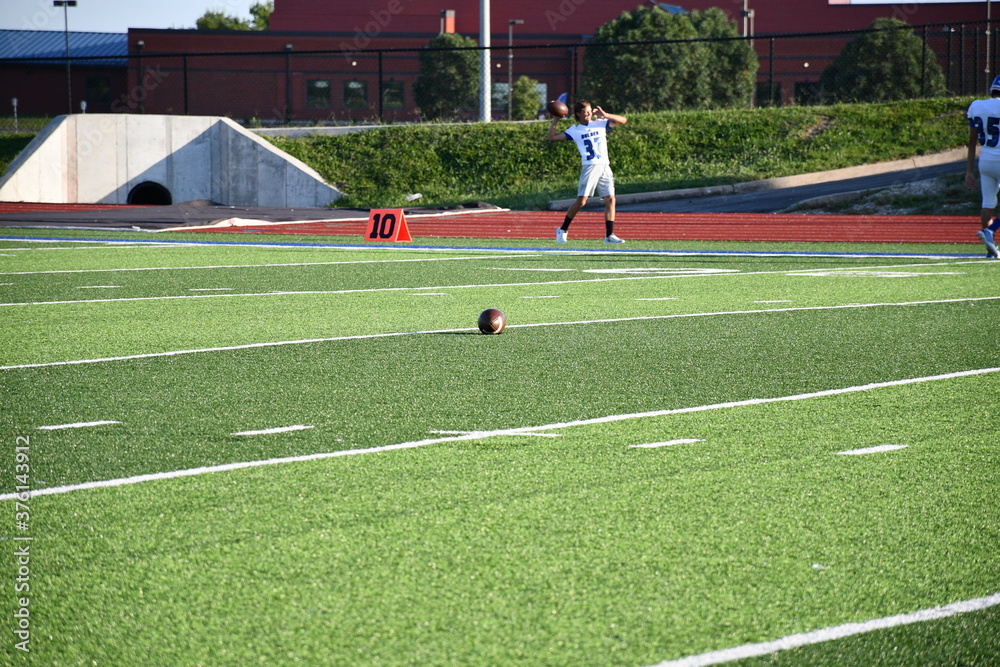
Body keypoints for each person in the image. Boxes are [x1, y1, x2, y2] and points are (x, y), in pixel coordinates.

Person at [546, 101, 626, 244]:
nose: (589, 114)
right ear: (578, 114)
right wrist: (555, 119)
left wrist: (605, 114)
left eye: (590, 111)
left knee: (611, 199)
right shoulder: (574, 130)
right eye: (585, 112)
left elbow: (623, 120)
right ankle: (562, 229)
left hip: (604, 166)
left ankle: (609, 235)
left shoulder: (600, 123)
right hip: (590, 166)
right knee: (581, 201)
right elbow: (551, 137)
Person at [965, 75, 1000, 258]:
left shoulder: (977, 105)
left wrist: (969, 171)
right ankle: (991, 231)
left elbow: (971, 141)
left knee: (987, 203)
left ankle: (990, 248)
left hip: (985, 160)